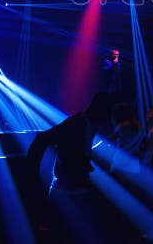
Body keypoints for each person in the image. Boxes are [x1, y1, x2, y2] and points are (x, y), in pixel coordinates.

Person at [26, 92, 114, 243]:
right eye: (109, 112)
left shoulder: (85, 125)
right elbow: (41, 140)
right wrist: (32, 176)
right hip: (67, 192)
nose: (109, 118)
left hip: (73, 190)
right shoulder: (76, 124)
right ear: (102, 110)